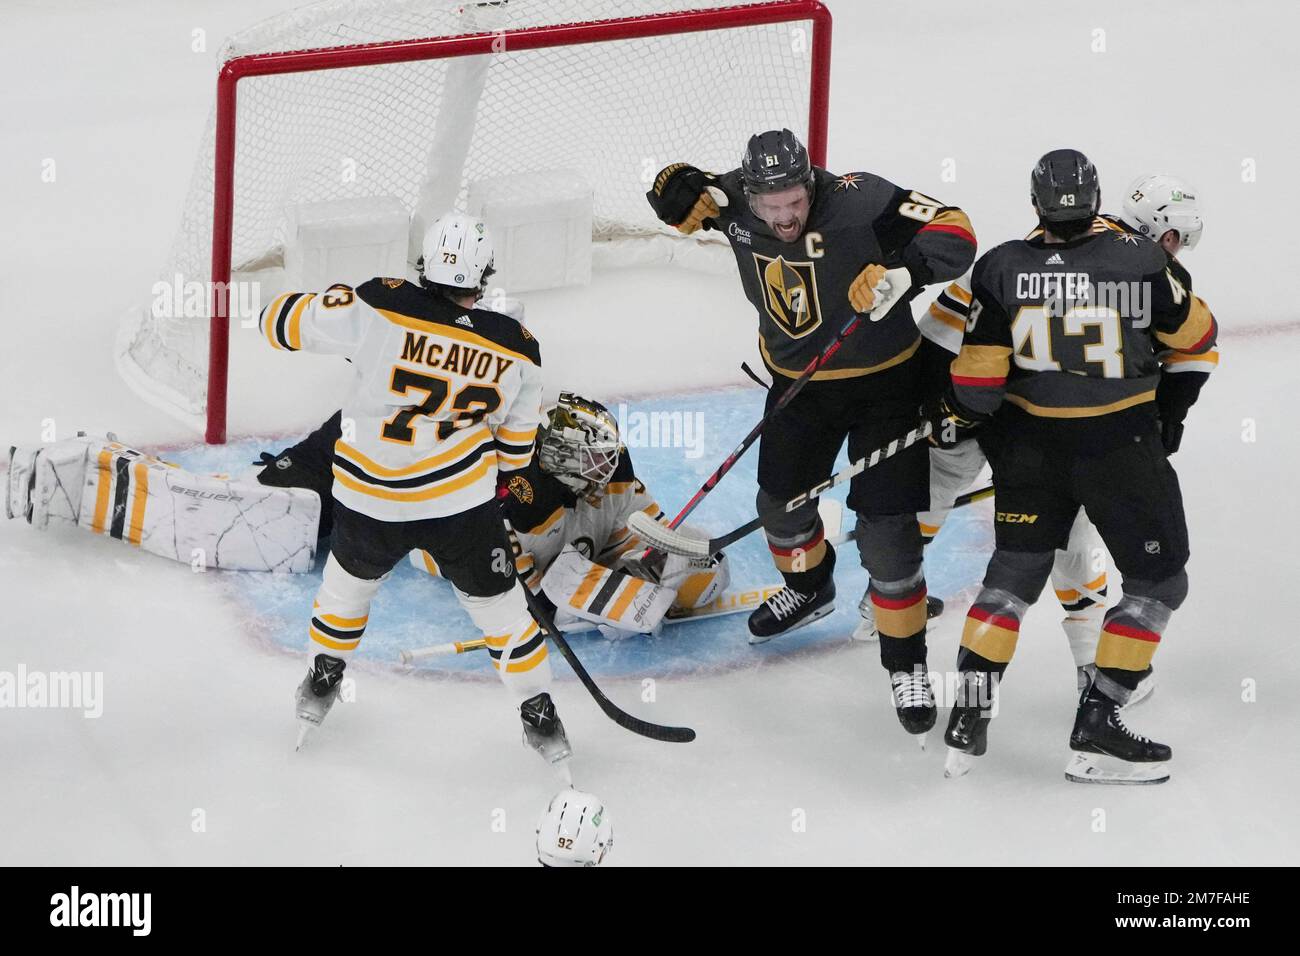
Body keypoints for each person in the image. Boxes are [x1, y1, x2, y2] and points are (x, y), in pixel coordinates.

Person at [646, 128, 976, 735]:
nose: (784, 216)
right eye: (770, 207)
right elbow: (679, 194)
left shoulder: (862, 200)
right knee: (780, 508)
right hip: (800, 390)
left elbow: (957, 230)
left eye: (795, 201)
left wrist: (903, 272)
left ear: (812, 181)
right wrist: (672, 187)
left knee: (888, 536)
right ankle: (810, 587)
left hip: (888, 388)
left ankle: (907, 665)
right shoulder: (731, 203)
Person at [927, 150, 1217, 784]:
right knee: (1159, 581)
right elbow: (1198, 341)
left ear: (1036, 205)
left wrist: (954, 415)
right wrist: (1170, 414)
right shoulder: (1143, 260)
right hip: (1119, 449)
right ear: (1095, 200)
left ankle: (968, 717)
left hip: (1031, 451)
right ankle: (1098, 723)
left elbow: (977, 385)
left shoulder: (1000, 266)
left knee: (1007, 583)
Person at [259, 212, 570, 771]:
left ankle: (323, 677)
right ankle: (538, 712)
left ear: (425, 265)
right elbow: (517, 456)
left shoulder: (380, 302)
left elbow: (279, 324)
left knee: (345, 594)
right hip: (460, 508)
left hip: (368, 501)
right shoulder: (519, 347)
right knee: (503, 616)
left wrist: (286, 314)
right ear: (483, 278)